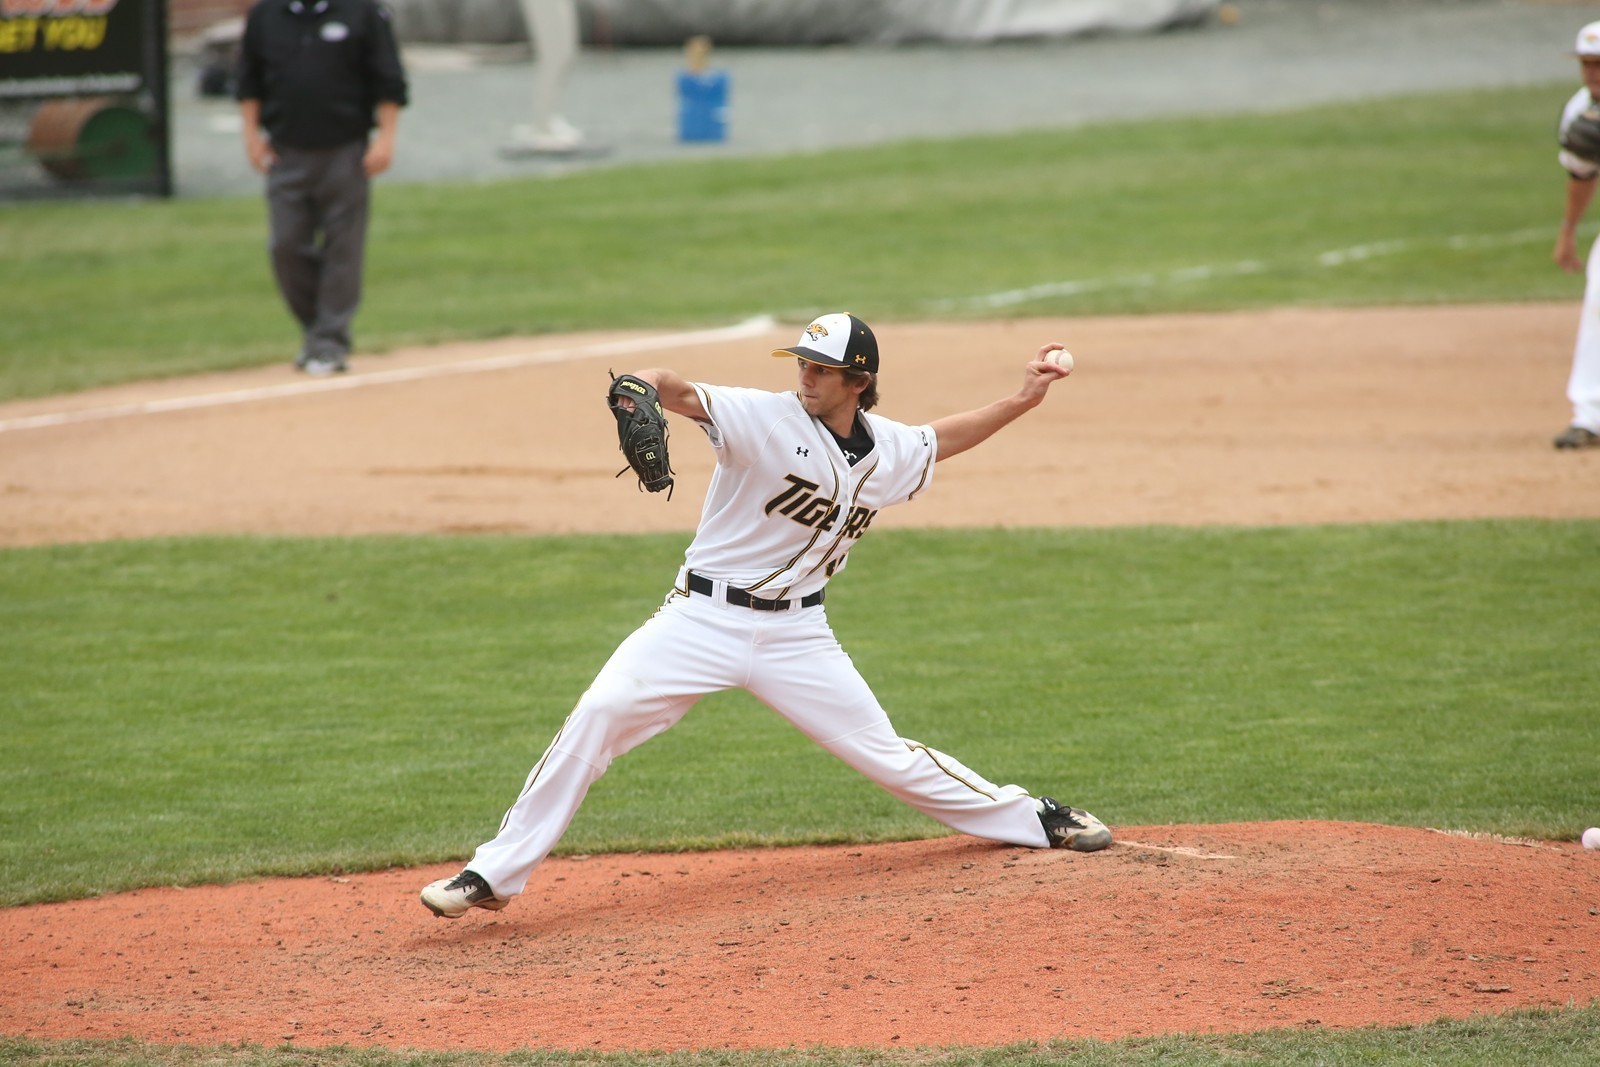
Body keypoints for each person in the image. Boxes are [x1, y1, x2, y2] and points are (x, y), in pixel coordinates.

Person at [421, 313, 1112, 920]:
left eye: (822, 367)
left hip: (797, 636)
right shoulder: (764, 416)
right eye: (803, 362)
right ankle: (493, 873)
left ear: (858, 380)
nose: (807, 375)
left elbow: (941, 438)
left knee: (888, 755)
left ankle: (1032, 815)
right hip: (698, 620)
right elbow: (676, 388)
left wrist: (1025, 397)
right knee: (598, 712)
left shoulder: (889, 451)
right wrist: (633, 385)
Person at [235, 0, 409, 376]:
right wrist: (251, 136)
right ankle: (319, 331)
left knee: (342, 249)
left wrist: (385, 138)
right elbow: (248, 80)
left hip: (345, 151)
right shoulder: (266, 15)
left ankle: (329, 342)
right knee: (285, 246)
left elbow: (389, 79)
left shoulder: (361, 12)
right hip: (285, 151)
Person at [1551, 20, 1600, 449]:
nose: (1593, 75)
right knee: (1599, 296)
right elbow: (1582, 173)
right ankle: (1590, 416)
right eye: (1587, 65)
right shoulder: (1581, 112)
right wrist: (1568, 230)